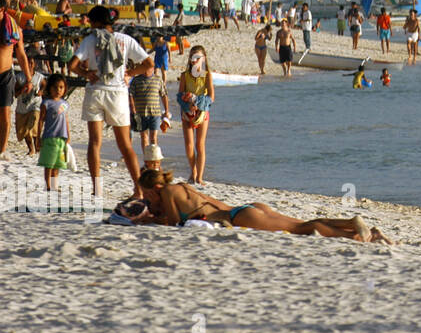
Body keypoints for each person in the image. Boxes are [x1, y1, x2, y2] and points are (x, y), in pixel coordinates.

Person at [135, 169, 392, 242]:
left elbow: (172, 222)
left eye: (147, 194)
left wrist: (146, 218)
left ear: (155, 188)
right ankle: (367, 233)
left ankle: (352, 226)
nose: (147, 199)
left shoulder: (167, 191)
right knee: (297, 225)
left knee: (300, 228)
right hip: (244, 209)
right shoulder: (182, 187)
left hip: (241, 217)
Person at [69, 5, 154, 197]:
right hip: (117, 94)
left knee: (94, 142)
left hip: (95, 92)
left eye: (91, 21)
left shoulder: (90, 40)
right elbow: (149, 64)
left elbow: (72, 65)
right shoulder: (125, 40)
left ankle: (97, 189)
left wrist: (85, 73)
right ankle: (139, 190)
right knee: (125, 145)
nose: (90, 25)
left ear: (98, 22)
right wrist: (130, 73)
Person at [0, 0, 34, 157]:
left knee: (5, 113)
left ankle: (2, 149)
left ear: (2, 10)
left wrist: (29, 78)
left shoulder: (14, 29)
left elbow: (21, 55)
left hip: (6, 75)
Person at [176, 45, 214, 185]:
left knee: (200, 145)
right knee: (189, 145)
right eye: (192, 57)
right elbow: (179, 96)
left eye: (197, 57)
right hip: (186, 112)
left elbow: (211, 97)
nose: (194, 60)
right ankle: (193, 172)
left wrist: (197, 103)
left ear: (203, 59)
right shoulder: (184, 75)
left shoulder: (207, 75)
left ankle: (200, 177)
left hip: (202, 112)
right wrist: (188, 105)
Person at [129, 63, 169, 176]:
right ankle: (147, 161)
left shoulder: (158, 79)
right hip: (141, 113)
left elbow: (164, 95)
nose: (146, 70)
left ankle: (155, 162)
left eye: (148, 68)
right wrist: (132, 107)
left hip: (155, 113)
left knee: (153, 137)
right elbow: (130, 94)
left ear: (152, 68)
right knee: (144, 137)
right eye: (144, 67)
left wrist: (166, 111)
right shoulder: (136, 80)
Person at [35, 74, 71, 191]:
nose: (58, 90)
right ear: (50, 88)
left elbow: (66, 120)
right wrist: (38, 137)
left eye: (61, 87)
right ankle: (48, 185)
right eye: (55, 87)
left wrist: (68, 135)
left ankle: (55, 185)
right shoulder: (47, 103)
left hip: (61, 138)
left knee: (57, 164)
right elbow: (41, 121)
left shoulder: (64, 104)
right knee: (48, 163)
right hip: (49, 137)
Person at [14, 73, 42, 156]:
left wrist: (41, 91)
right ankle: (31, 148)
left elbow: (45, 86)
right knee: (23, 131)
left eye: (32, 63)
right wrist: (23, 89)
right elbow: (15, 94)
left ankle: (37, 147)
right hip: (22, 109)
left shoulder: (39, 77)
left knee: (32, 127)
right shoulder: (19, 77)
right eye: (28, 62)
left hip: (35, 106)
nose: (30, 65)